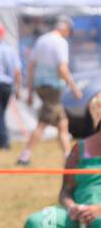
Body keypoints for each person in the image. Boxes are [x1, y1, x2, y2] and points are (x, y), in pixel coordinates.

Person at [22, 88, 101, 228]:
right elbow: (65, 190)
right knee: (36, 223)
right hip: (75, 212)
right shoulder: (80, 148)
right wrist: (71, 205)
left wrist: (97, 210)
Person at [19, 17, 82, 165]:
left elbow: (31, 66)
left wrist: (29, 91)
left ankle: (68, 156)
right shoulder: (61, 42)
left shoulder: (41, 40)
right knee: (43, 122)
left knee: (63, 122)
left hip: (41, 86)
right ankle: (24, 156)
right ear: (66, 29)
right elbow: (62, 68)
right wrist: (74, 87)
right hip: (53, 87)